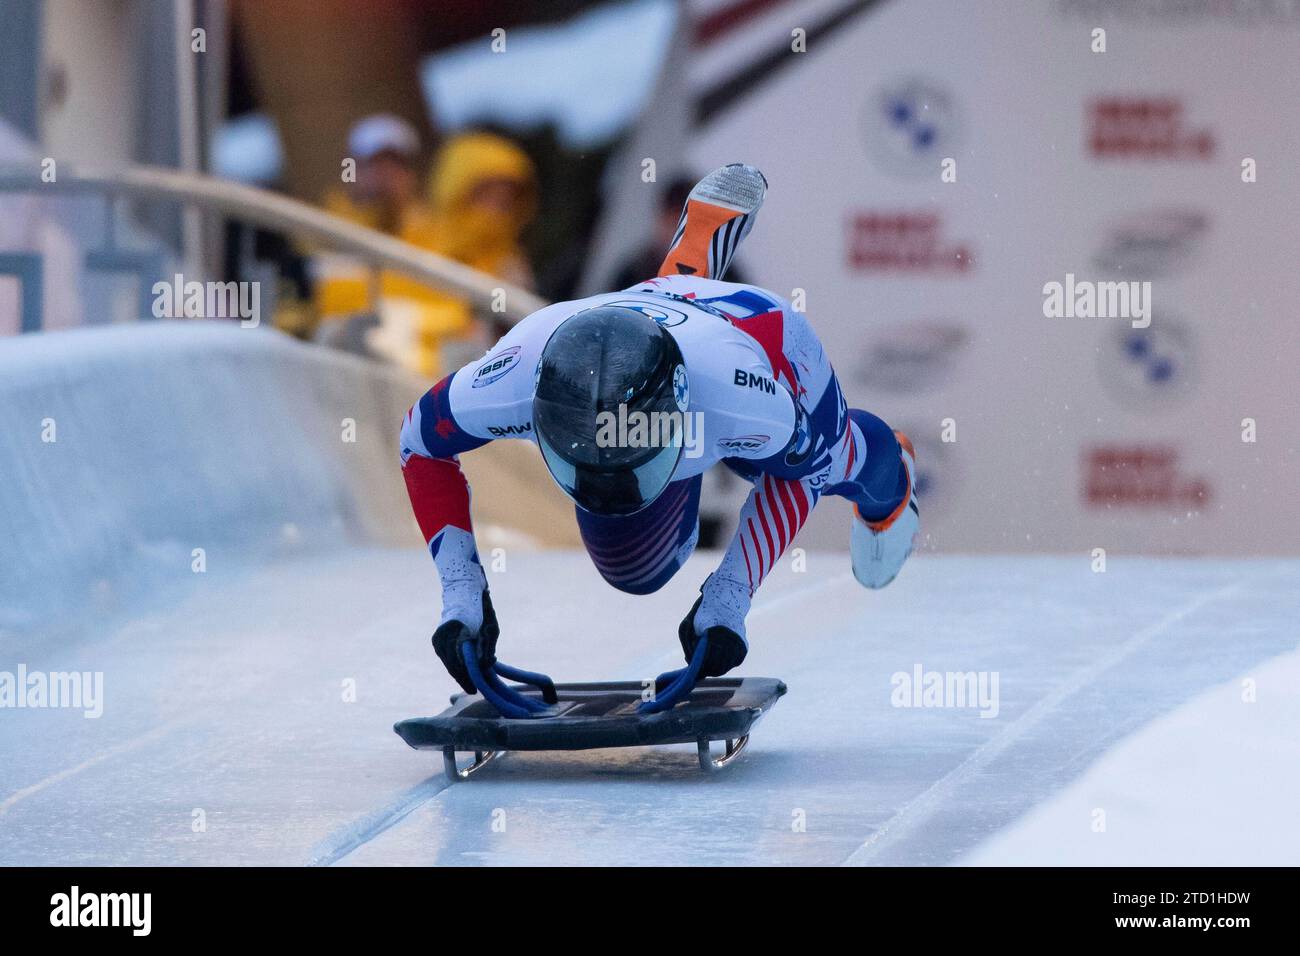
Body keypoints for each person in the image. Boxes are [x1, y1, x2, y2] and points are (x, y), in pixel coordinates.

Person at [399, 164, 918, 700]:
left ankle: (894, 488)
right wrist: (463, 594)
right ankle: (689, 259)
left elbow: (799, 476)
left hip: (761, 339)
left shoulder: (746, 403)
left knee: (831, 459)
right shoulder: (518, 371)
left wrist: (730, 595)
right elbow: (416, 441)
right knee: (632, 567)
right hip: (645, 331)